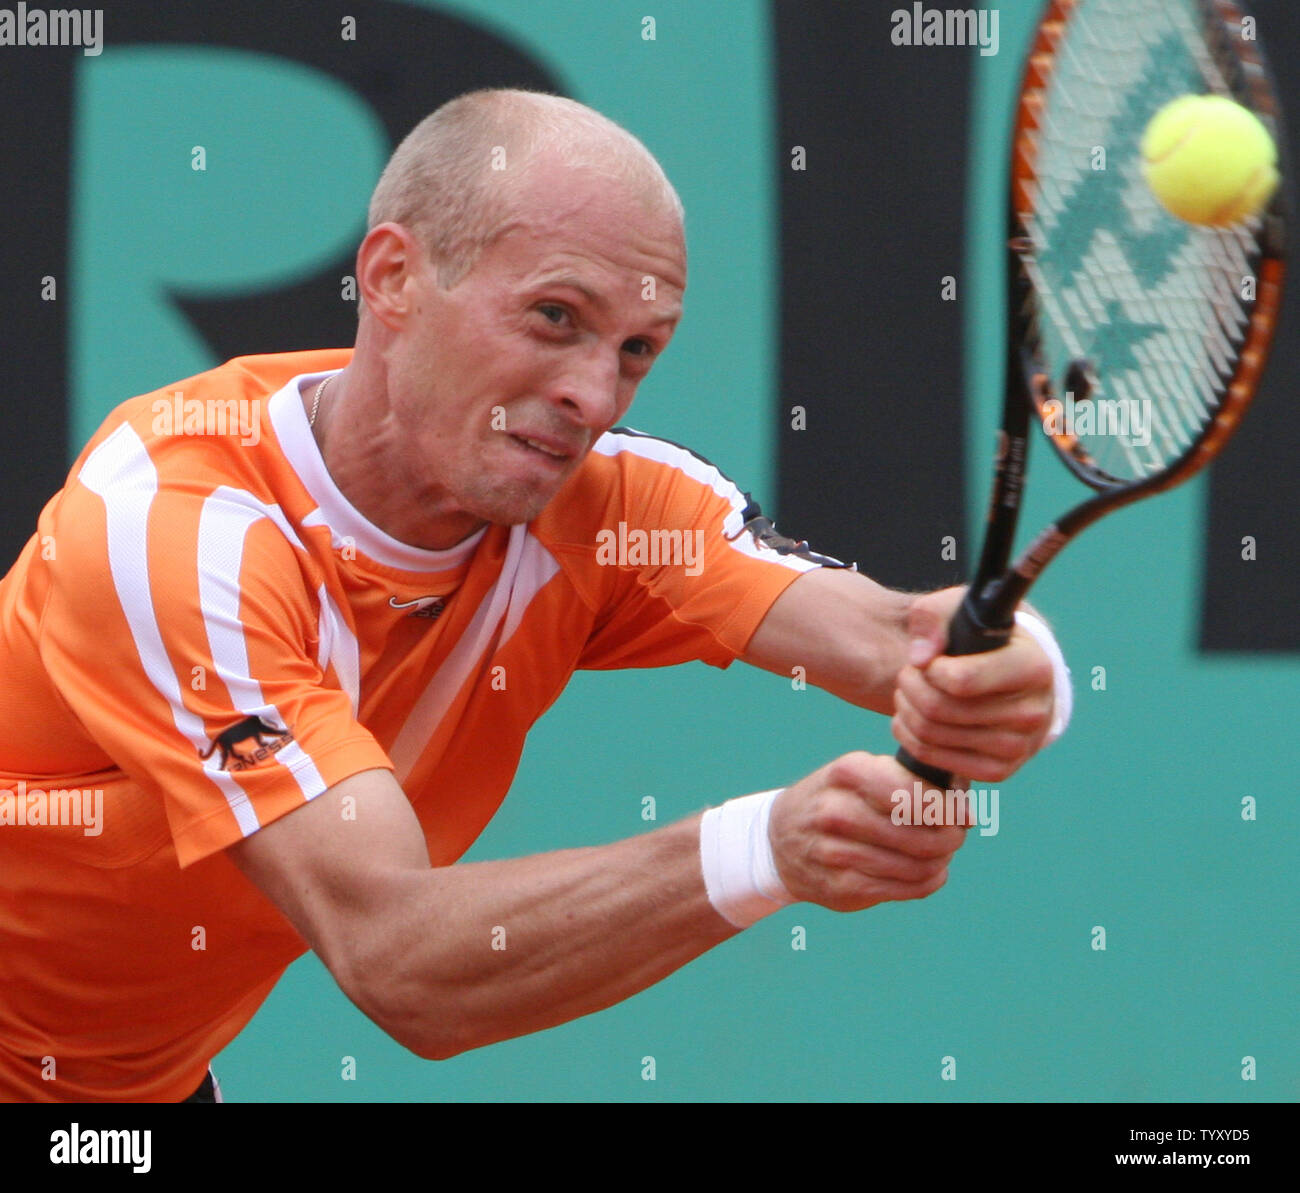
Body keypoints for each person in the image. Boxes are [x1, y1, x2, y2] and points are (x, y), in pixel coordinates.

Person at [0, 89, 1069, 1102]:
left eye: (636, 350)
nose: (591, 396)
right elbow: (396, 955)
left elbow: (900, 635)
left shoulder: (615, 510)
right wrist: (767, 847)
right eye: (555, 316)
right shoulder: (179, 530)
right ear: (392, 277)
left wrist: (1015, 674)